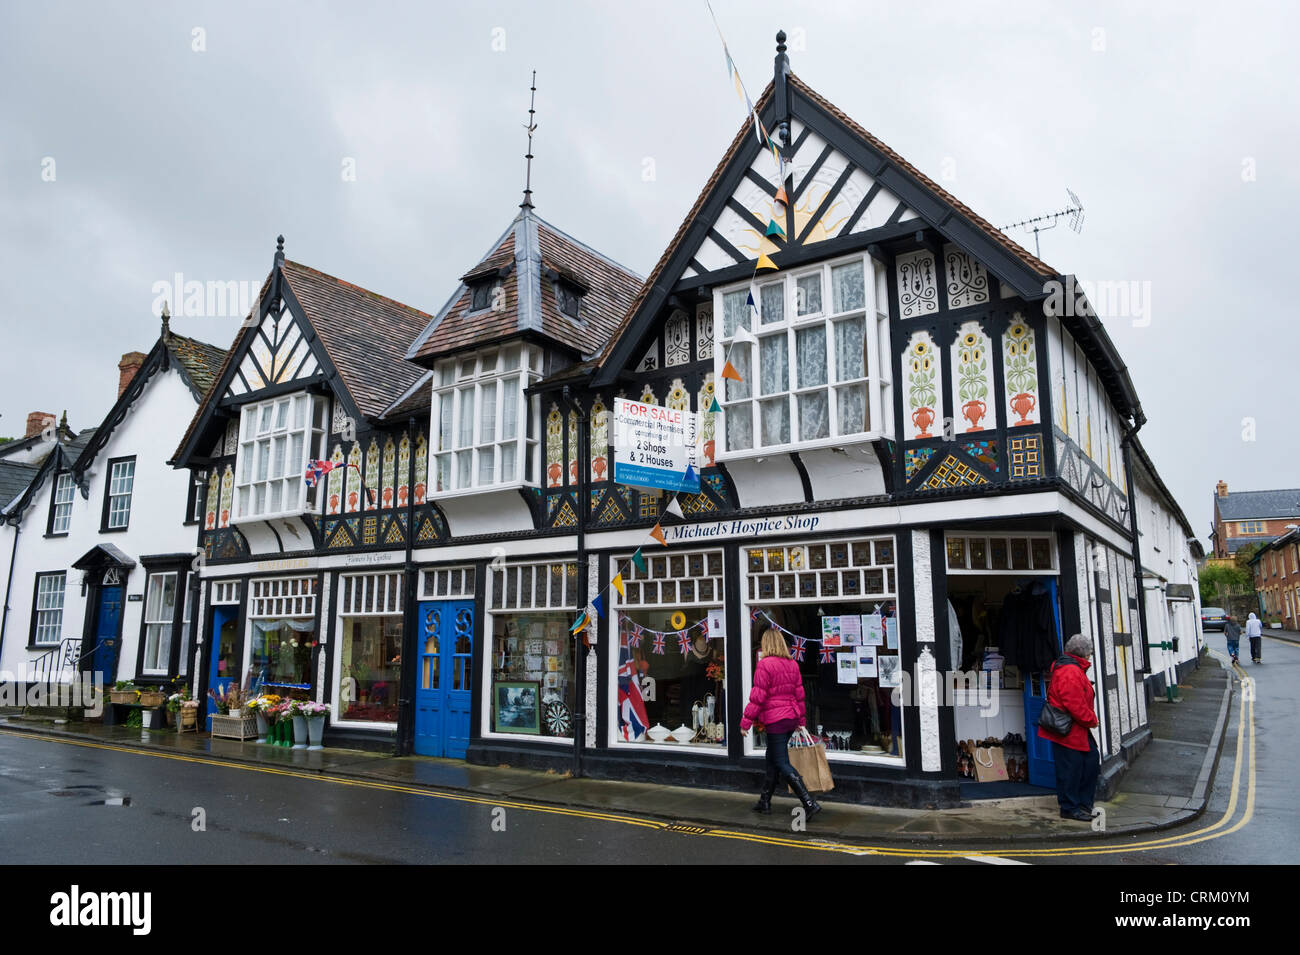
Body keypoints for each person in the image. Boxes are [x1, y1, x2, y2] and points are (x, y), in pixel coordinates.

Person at [740, 628, 820, 818]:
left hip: (776, 720)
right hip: (790, 718)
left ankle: (809, 803)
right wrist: (801, 721)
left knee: (782, 762)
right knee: (772, 760)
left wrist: (746, 722)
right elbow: (799, 695)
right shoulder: (792, 664)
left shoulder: (764, 664)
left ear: (766, 643)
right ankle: (764, 801)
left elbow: (758, 696)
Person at [1037, 633, 1101, 821]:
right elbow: (1074, 704)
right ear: (1084, 653)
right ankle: (1070, 808)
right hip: (1069, 729)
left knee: (1089, 761)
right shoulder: (1070, 671)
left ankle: (1082, 804)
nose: (1090, 656)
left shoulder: (1072, 668)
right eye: (1090, 653)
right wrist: (1092, 720)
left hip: (1076, 728)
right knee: (1071, 769)